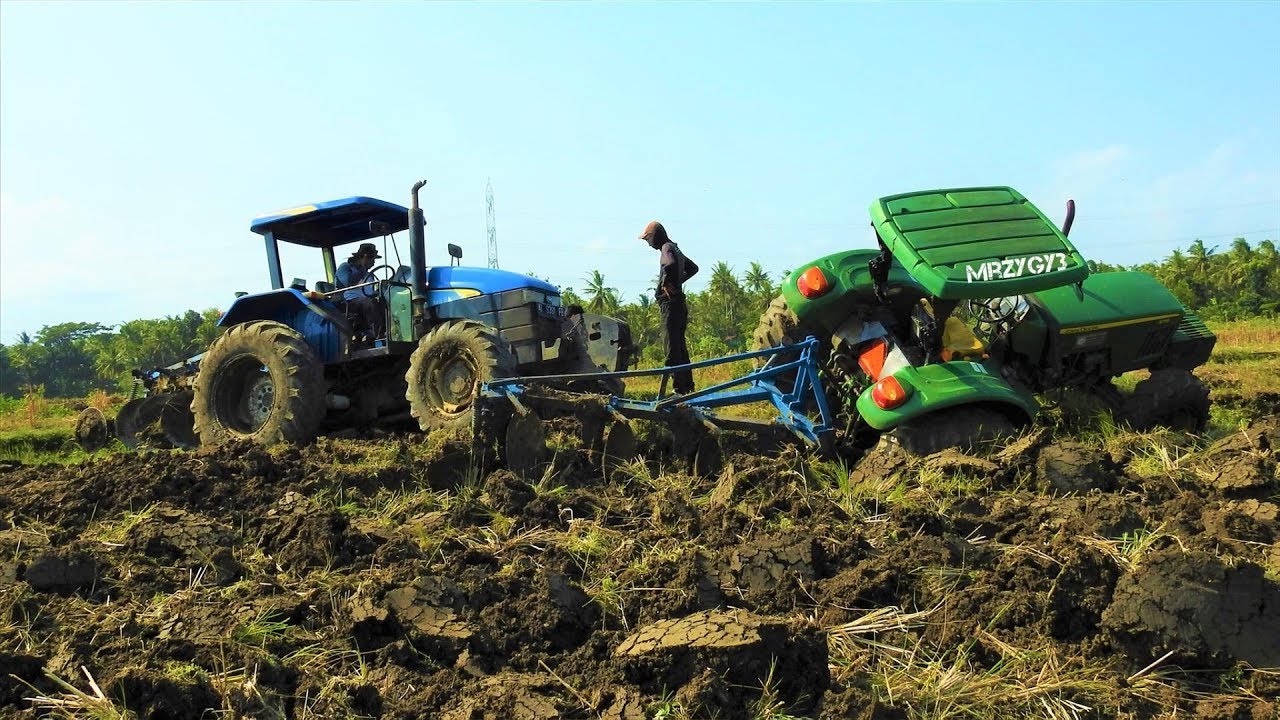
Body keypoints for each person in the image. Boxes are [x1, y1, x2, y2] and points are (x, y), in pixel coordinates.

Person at [640, 220, 699, 394]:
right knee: (680, 346)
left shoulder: (666, 248)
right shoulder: (675, 247)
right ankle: (687, 386)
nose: (648, 243)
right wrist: (677, 281)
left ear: (655, 236)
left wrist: (666, 282)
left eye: (648, 239)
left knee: (671, 347)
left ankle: (678, 389)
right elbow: (693, 268)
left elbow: (671, 263)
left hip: (670, 305)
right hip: (679, 303)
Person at [336, 242, 385, 341]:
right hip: (349, 302)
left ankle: (389, 332)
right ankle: (378, 335)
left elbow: (370, 291)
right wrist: (363, 267)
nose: (374, 263)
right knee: (370, 303)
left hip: (365, 300)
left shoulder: (370, 274)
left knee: (383, 301)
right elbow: (348, 282)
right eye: (372, 259)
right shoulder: (345, 267)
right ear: (364, 257)